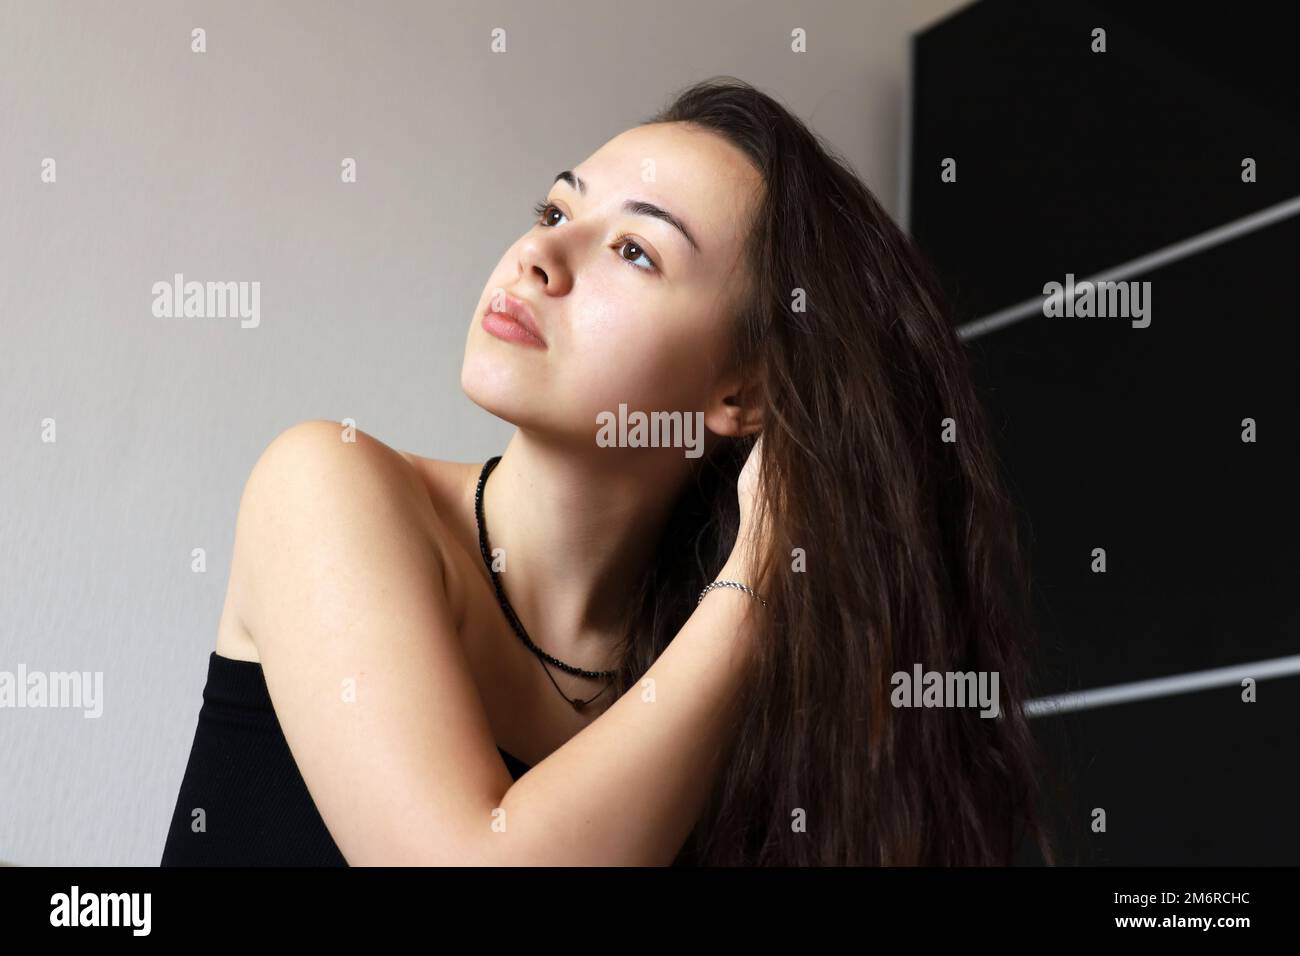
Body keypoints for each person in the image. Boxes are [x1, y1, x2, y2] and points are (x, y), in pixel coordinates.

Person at [167, 76, 1054, 867]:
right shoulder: (328, 483)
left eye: (635, 250)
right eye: (556, 212)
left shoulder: (727, 697)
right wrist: (758, 579)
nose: (537, 256)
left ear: (743, 391)